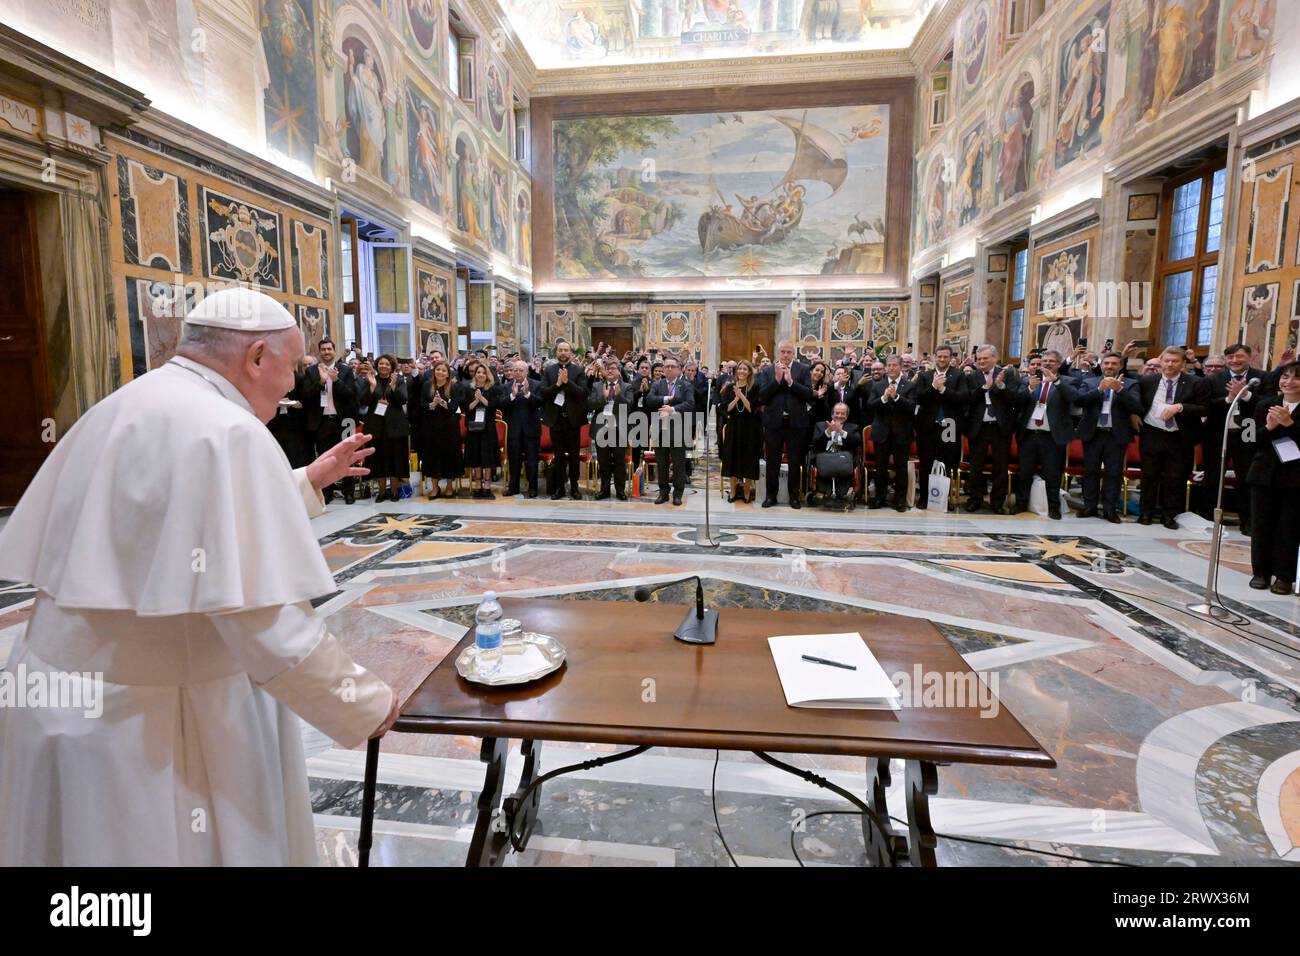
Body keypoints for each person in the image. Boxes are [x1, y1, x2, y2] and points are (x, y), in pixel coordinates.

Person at [0, 287, 397, 865]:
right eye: (292, 366)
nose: (293, 387)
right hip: (151, 727)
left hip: (66, 709)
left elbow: (167, 518)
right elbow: (268, 623)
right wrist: (359, 701)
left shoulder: (128, 403)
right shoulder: (230, 430)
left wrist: (303, 482)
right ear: (257, 357)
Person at [1137, 346, 1211, 529]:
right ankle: (1145, 512)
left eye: (1175, 361)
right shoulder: (1147, 381)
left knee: (1175, 478)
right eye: (1166, 360)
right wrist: (1133, 415)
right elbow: (1136, 402)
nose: (1170, 364)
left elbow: (1205, 408)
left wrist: (1181, 407)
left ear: (1183, 364)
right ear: (1161, 362)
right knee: (1149, 476)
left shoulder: (1195, 383)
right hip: (1153, 433)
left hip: (1180, 437)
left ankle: (1170, 515)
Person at [1245, 361, 1300, 594]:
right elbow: (1249, 440)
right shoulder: (1266, 404)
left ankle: (1285, 576)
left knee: (1289, 526)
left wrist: (1290, 425)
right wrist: (1268, 428)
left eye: (1295, 378)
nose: (1288, 382)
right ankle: (1260, 572)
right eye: (1285, 376)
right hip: (1264, 473)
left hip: (1295, 476)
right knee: (1261, 524)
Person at [1201, 343, 1268, 531]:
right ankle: (1209, 519)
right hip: (1218, 434)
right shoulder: (1213, 379)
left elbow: (1267, 402)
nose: (1234, 361)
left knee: (1246, 478)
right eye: (1230, 357)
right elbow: (1206, 406)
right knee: (1213, 478)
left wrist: (1246, 395)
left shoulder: (1261, 378)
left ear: (1249, 357)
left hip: (1248, 432)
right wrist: (1229, 399)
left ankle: (1247, 522)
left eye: (1239, 356)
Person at [1075, 351, 1142, 522]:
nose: (1110, 366)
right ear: (1102, 365)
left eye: (1114, 364)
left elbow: (1136, 406)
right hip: (1093, 433)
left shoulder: (1131, 384)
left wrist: (1119, 389)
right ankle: (1089, 506)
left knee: (1113, 473)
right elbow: (1079, 401)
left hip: (1116, 435)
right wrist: (1099, 390)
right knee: (1090, 471)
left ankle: (1109, 509)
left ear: (1120, 366)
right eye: (1107, 363)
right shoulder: (1090, 382)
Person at [1014, 350, 1081, 520]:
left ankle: (1053, 507)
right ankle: (1020, 503)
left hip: (1052, 436)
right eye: (1044, 361)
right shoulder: (1028, 380)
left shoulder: (1068, 381)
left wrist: (1056, 382)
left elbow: (1075, 398)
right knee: (1024, 473)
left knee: (1052, 474)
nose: (1047, 364)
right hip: (1029, 434)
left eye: (1051, 361)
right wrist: (1030, 388)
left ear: (1059, 364)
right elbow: (1017, 402)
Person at [962, 345, 1023, 514]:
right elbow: (967, 399)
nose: (981, 361)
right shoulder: (972, 376)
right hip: (978, 427)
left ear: (994, 358)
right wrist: (984, 388)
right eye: (979, 358)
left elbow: (1015, 399)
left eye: (985, 358)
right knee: (976, 466)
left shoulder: (1007, 374)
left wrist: (1001, 386)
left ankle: (997, 502)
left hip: (1000, 427)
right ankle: (975, 499)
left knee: (1000, 467)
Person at [301, 337, 361, 504]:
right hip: (322, 422)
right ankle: (326, 492)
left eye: (329, 349)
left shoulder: (346, 370)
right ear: (319, 352)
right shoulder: (311, 371)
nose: (326, 352)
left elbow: (352, 395)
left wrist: (336, 381)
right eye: (323, 349)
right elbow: (305, 395)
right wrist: (320, 382)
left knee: (346, 455)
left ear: (334, 351)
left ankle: (348, 491)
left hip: (343, 420)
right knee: (325, 458)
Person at [755, 340, 813, 508]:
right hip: (774, 422)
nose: (786, 355)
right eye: (783, 352)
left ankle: (794, 496)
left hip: (796, 423)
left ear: (793, 353)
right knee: (772, 461)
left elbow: (809, 394)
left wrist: (791, 382)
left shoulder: (802, 369)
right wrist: (777, 380)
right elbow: (762, 397)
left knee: (795, 460)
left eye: (789, 352)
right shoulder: (767, 371)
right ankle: (771, 496)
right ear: (778, 353)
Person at [913, 344, 969, 508]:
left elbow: (962, 398)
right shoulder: (925, 375)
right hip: (927, 426)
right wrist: (933, 387)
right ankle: (924, 498)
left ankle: (945, 498)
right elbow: (919, 398)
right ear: (934, 357)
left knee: (948, 463)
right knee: (926, 463)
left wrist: (943, 389)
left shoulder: (958, 376)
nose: (942, 359)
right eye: (939, 356)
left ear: (951, 358)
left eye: (945, 356)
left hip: (949, 425)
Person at [867, 355, 917, 511]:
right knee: (880, 467)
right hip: (881, 433)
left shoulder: (909, 386)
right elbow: (870, 406)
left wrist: (896, 397)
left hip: (901, 433)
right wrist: (884, 398)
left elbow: (911, 407)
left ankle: (900, 499)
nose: (891, 368)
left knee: (901, 467)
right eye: (888, 365)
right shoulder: (878, 385)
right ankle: (879, 497)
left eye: (894, 365)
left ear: (901, 366)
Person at [540, 339, 588, 500]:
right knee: (558, 456)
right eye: (560, 350)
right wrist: (558, 384)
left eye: (566, 350)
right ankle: (559, 488)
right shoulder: (549, 371)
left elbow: (582, 393)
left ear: (570, 353)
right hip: (556, 420)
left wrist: (567, 383)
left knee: (574, 456)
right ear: (556, 352)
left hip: (572, 420)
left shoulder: (579, 370)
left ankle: (574, 488)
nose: (563, 353)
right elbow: (544, 394)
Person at [359, 354, 410, 502]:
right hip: (376, 425)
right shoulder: (370, 379)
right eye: (381, 363)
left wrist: (394, 387)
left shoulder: (398, 379)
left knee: (395, 459)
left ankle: (394, 491)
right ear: (377, 365)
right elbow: (363, 400)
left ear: (392, 366)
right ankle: (381, 492)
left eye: (387, 364)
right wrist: (373, 386)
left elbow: (403, 399)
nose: (383, 366)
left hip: (395, 425)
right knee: (378, 460)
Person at [645, 355, 694, 505]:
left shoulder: (685, 385)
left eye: (672, 366)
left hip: (679, 428)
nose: (669, 369)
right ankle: (663, 492)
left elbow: (690, 404)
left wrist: (672, 409)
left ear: (679, 370)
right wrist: (667, 399)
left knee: (679, 463)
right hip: (661, 429)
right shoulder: (657, 384)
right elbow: (650, 400)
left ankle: (678, 493)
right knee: (662, 463)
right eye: (666, 366)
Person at [418, 359, 463, 499]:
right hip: (431, 427)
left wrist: (442, 402)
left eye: (444, 370)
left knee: (449, 457)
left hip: (449, 427)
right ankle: (435, 487)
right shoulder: (427, 385)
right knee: (432, 456)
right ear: (434, 371)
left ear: (448, 374)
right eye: (438, 370)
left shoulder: (454, 387)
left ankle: (450, 486)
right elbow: (422, 405)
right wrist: (433, 403)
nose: (440, 372)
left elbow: (454, 408)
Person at [718, 359, 761, 502]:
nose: (742, 371)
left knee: (749, 458)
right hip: (734, 426)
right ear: (736, 371)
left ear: (749, 372)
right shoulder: (729, 387)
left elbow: (752, 409)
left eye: (745, 369)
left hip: (750, 427)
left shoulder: (755, 387)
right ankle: (733, 491)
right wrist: (736, 398)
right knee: (732, 458)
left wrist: (741, 395)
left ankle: (747, 490)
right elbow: (726, 409)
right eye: (740, 369)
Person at [589, 359, 631, 500]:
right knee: (603, 462)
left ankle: (620, 490)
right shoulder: (597, 386)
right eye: (607, 368)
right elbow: (590, 404)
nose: (610, 370)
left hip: (619, 430)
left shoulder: (626, 387)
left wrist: (618, 395)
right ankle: (604, 490)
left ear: (619, 371)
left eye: (613, 368)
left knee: (619, 462)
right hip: (602, 428)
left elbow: (629, 406)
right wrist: (604, 397)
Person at [500, 359, 542, 497]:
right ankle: (513, 487)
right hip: (513, 430)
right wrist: (512, 395)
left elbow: (540, 402)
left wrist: (528, 394)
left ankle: (533, 488)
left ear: (526, 372)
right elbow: (501, 404)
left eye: (521, 370)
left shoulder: (536, 385)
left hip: (531, 430)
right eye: (515, 370)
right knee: (514, 460)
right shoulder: (506, 387)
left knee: (532, 461)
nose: (517, 373)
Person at [460, 362, 500, 499]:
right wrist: (476, 400)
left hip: (488, 426)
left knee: (487, 456)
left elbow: (495, 405)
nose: (481, 375)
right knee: (476, 455)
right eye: (478, 372)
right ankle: (477, 484)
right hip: (474, 426)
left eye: (483, 372)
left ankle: (487, 484)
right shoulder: (468, 388)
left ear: (487, 374)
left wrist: (482, 398)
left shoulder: (492, 389)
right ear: (474, 374)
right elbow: (466, 407)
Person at [810, 402, 862, 504]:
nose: (839, 416)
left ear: (847, 416)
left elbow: (857, 442)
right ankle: (823, 491)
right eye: (837, 413)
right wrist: (828, 432)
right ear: (832, 414)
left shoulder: (853, 427)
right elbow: (815, 443)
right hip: (825, 458)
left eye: (843, 414)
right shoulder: (820, 425)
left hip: (844, 459)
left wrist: (841, 432)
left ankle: (844, 492)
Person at [268, 356, 312, 468]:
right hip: (276, 423)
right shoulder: (271, 380)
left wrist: (293, 403)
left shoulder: (300, 379)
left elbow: (305, 401)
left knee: (296, 458)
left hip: (295, 424)